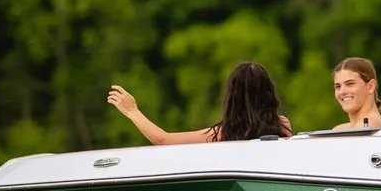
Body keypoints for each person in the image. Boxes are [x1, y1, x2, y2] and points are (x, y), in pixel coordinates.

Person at [107, 62, 293, 144]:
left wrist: (132, 111)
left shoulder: (222, 134)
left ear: (232, 98)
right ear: (268, 93)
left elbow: (162, 139)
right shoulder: (283, 126)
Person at [332, 57, 381, 130]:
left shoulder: (370, 127)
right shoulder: (340, 129)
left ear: (370, 86)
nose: (342, 92)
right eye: (338, 86)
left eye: (350, 84)